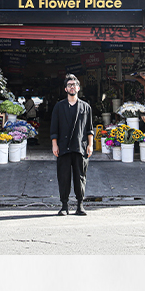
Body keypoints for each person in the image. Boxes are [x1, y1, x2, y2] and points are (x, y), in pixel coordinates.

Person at [49, 73, 95, 216]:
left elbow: (90, 128)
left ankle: (80, 205)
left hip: (80, 147)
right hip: (63, 147)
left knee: (80, 176)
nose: (72, 87)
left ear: (79, 88)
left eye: (74, 85)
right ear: (65, 89)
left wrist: (90, 145)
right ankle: (64, 205)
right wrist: (54, 145)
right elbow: (54, 128)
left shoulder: (86, 107)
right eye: (69, 85)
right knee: (63, 177)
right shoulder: (59, 107)